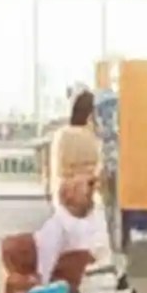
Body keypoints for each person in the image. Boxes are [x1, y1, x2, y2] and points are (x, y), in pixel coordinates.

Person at [50, 87, 110, 263]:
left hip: (65, 195)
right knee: (97, 246)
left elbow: (57, 169)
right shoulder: (92, 138)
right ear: (91, 114)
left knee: (69, 247)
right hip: (89, 195)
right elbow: (99, 170)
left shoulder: (61, 135)